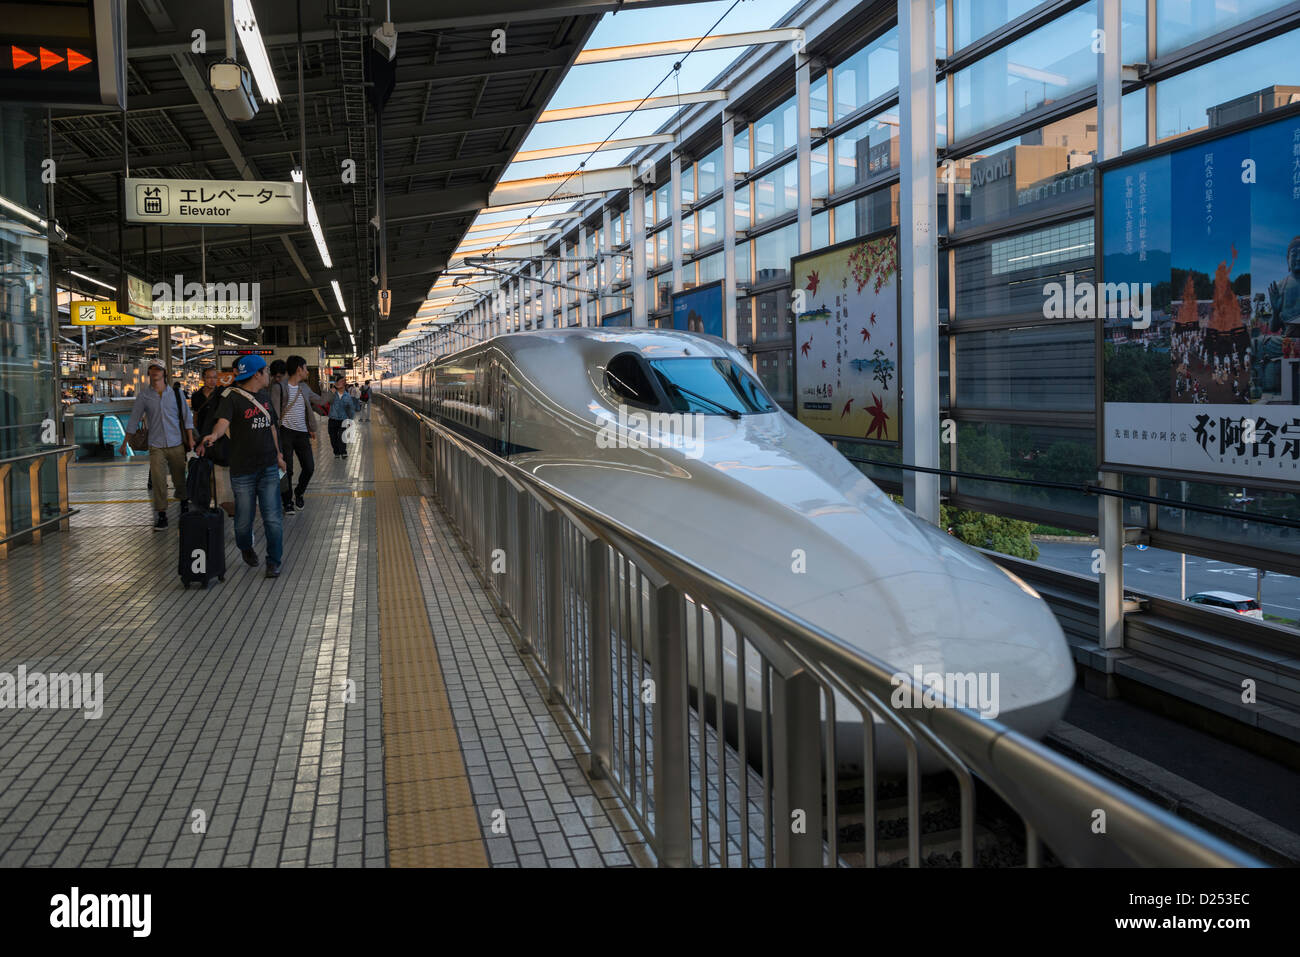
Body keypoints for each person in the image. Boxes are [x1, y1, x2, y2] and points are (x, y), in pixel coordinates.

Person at [198, 354, 286, 579]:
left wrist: (278, 455)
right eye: (265, 371)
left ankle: (273, 561)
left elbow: (272, 428)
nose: (268, 374)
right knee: (243, 522)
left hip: (268, 467)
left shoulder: (265, 397)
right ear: (257, 374)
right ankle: (245, 546)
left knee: (273, 518)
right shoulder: (231, 398)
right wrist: (214, 435)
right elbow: (222, 423)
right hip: (243, 470)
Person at [120, 361, 195, 529]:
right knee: (158, 480)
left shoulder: (176, 394)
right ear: (149, 373)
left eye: (159, 369)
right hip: (156, 445)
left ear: (165, 372)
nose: (155, 372)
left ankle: (183, 501)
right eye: (152, 369)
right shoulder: (144, 396)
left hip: (176, 443)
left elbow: (186, 417)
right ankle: (161, 514)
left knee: (179, 478)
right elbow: (134, 419)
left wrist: (190, 439)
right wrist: (125, 442)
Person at [271, 354, 324, 513]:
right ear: (299, 369)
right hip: (285, 432)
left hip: (302, 434)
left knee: (309, 467)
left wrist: (335, 391)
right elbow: (273, 413)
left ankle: (299, 493)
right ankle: (287, 501)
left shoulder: (304, 388)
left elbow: (319, 401)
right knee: (286, 469)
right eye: (306, 368)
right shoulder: (279, 387)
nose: (307, 371)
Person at [191, 366, 235, 516]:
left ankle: (221, 500)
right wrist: (195, 437)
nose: (212, 380)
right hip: (201, 436)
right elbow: (195, 417)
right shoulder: (196, 396)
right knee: (205, 468)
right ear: (203, 378)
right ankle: (206, 498)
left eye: (215, 377)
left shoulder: (222, 393)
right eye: (209, 377)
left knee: (218, 469)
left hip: (218, 436)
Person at [324, 376, 361, 459]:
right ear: (336, 383)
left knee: (342, 437)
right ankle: (336, 452)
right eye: (340, 381)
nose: (342, 382)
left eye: (344, 381)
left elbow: (351, 409)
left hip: (343, 419)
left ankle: (343, 452)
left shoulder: (347, 396)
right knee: (333, 437)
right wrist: (332, 391)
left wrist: (350, 420)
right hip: (332, 419)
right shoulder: (332, 394)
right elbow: (325, 400)